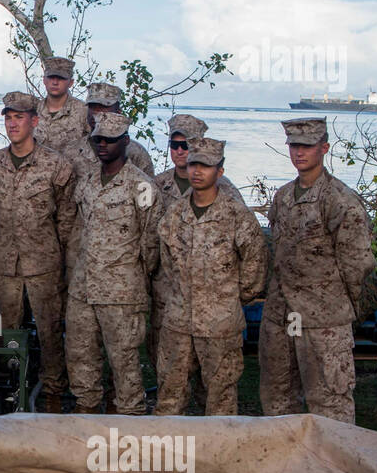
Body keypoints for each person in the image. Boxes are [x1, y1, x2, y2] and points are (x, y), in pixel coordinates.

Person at [259, 117, 375, 424]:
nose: (299, 153)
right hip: (281, 313)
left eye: (307, 146)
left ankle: (336, 469)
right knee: (278, 398)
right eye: (294, 146)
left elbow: (358, 262)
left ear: (323, 148)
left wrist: (344, 306)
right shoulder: (283, 196)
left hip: (324, 318)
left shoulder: (340, 200)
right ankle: (288, 467)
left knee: (329, 403)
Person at [155, 137, 268, 416]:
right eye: (193, 164)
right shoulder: (174, 214)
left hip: (220, 324)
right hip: (178, 321)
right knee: (169, 396)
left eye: (205, 166)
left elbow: (255, 263)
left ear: (220, 171)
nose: (197, 171)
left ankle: (218, 457)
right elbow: (167, 263)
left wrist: (229, 298)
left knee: (220, 400)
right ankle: (168, 455)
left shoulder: (236, 215)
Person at [66, 112, 163, 415]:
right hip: (83, 289)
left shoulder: (142, 186)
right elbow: (79, 228)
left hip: (121, 293)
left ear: (125, 141)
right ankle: (86, 415)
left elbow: (151, 242)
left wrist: (133, 276)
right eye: (97, 140)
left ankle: (130, 423)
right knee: (81, 357)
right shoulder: (86, 183)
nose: (103, 145)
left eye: (110, 139)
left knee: (124, 364)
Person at [0, 92, 75, 411]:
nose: (12, 124)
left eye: (19, 117)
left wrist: (63, 260)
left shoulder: (56, 164)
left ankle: (51, 392)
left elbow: (66, 217)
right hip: (6, 262)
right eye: (8, 118)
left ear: (34, 121)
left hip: (44, 263)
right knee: (1, 326)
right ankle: (5, 385)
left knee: (50, 331)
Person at [150, 113, 246, 362]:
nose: (180, 151)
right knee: (167, 365)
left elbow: (245, 244)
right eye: (175, 145)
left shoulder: (225, 190)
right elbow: (148, 237)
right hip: (167, 293)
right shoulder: (157, 185)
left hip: (212, 301)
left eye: (187, 145)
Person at [67, 82, 156, 177]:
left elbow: (148, 187)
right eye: (92, 107)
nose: (96, 112)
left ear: (118, 112)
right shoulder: (71, 152)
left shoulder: (136, 153)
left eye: (103, 107)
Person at [34, 55, 90, 154]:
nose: (55, 82)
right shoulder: (33, 110)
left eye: (61, 78)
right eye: (51, 77)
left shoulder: (83, 111)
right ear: (44, 80)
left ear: (71, 82)